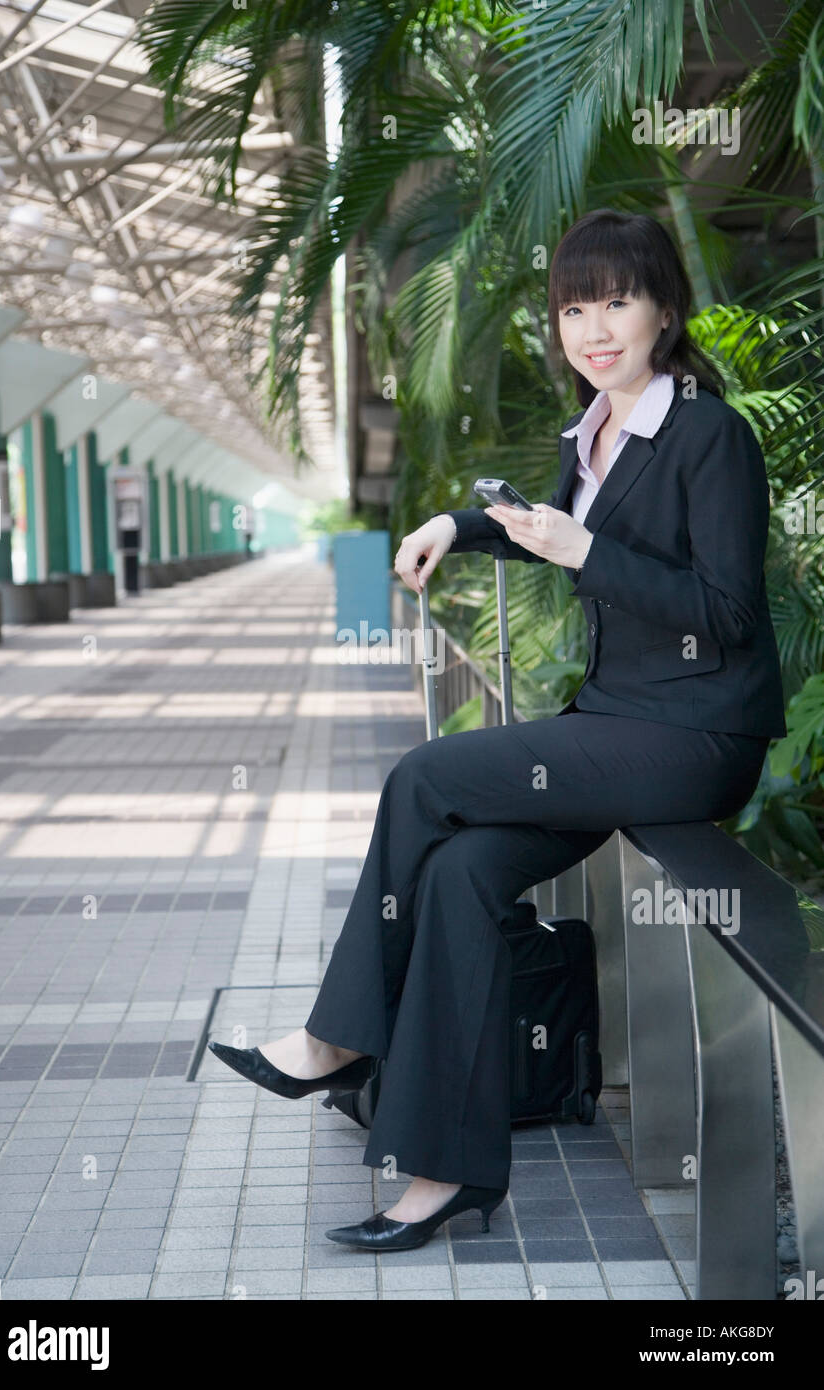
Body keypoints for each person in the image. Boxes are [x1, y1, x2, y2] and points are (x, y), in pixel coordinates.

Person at [207, 208, 787, 1252]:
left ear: (664, 307)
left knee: (422, 782)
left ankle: (335, 1039)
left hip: (692, 738)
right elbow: (547, 533)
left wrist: (584, 554)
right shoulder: (595, 426)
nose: (595, 326)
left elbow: (729, 611)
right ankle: (441, 1174)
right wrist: (459, 526)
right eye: (574, 306)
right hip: (617, 724)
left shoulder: (705, 431)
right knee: (459, 873)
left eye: (617, 300)